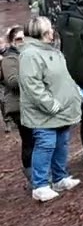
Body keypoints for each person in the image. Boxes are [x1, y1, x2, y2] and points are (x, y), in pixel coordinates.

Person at [18, 16, 82, 202]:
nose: (52, 32)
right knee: (45, 146)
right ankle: (40, 185)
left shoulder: (52, 51)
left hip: (61, 110)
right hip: (45, 113)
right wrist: (50, 104)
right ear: (41, 33)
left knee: (61, 143)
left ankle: (60, 177)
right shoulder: (30, 54)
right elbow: (32, 85)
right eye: (48, 30)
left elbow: (64, 77)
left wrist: (76, 94)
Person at [2, 26, 33, 189]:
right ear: (13, 41)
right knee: (29, 140)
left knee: (37, 139)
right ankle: (31, 176)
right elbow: (13, 81)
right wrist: (33, 76)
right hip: (18, 105)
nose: (22, 42)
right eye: (19, 39)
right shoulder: (9, 58)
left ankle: (40, 173)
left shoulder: (27, 54)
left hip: (31, 103)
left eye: (24, 38)